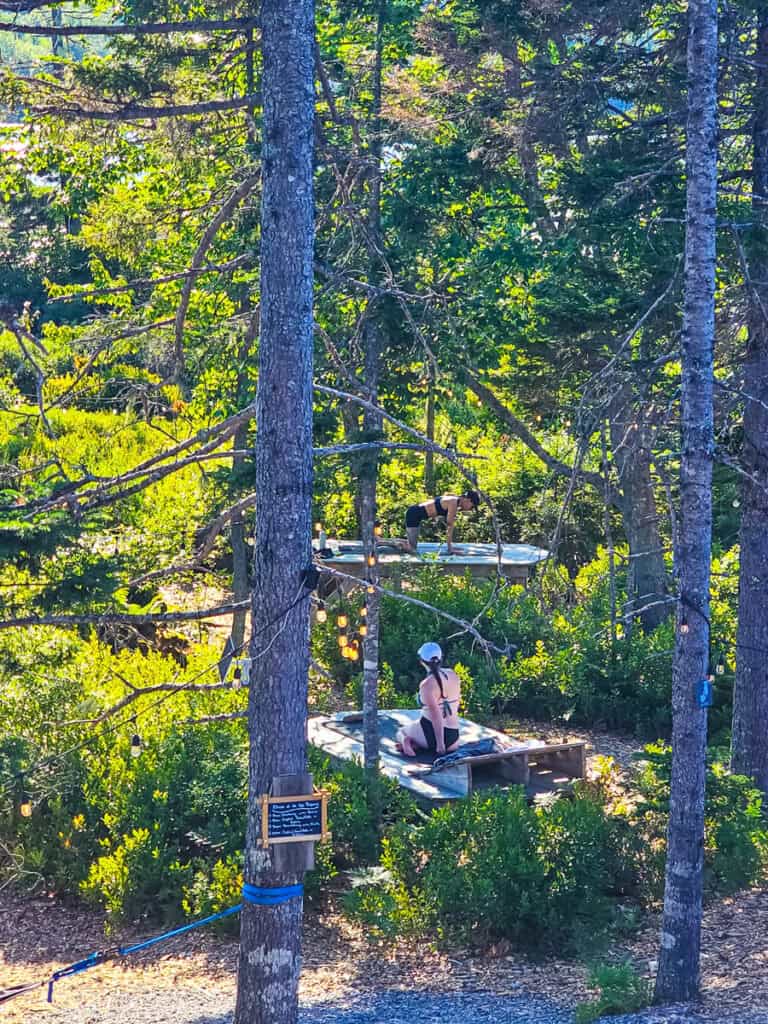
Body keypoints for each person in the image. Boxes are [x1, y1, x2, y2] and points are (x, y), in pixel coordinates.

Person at [396, 642, 461, 758]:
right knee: (416, 727)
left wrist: (440, 746)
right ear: (441, 658)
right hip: (454, 737)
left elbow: (436, 717)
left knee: (401, 731)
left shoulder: (426, 685)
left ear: (422, 661)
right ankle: (416, 743)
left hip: (432, 734)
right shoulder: (453, 675)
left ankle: (406, 741)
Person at [402, 490, 480, 554]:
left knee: (411, 546)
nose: (470, 509)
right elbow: (449, 525)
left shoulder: (454, 499)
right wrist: (450, 549)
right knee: (412, 549)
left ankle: (395, 542)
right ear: (468, 500)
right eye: (472, 506)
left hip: (415, 515)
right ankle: (391, 543)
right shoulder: (453, 502)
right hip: (413, 514)